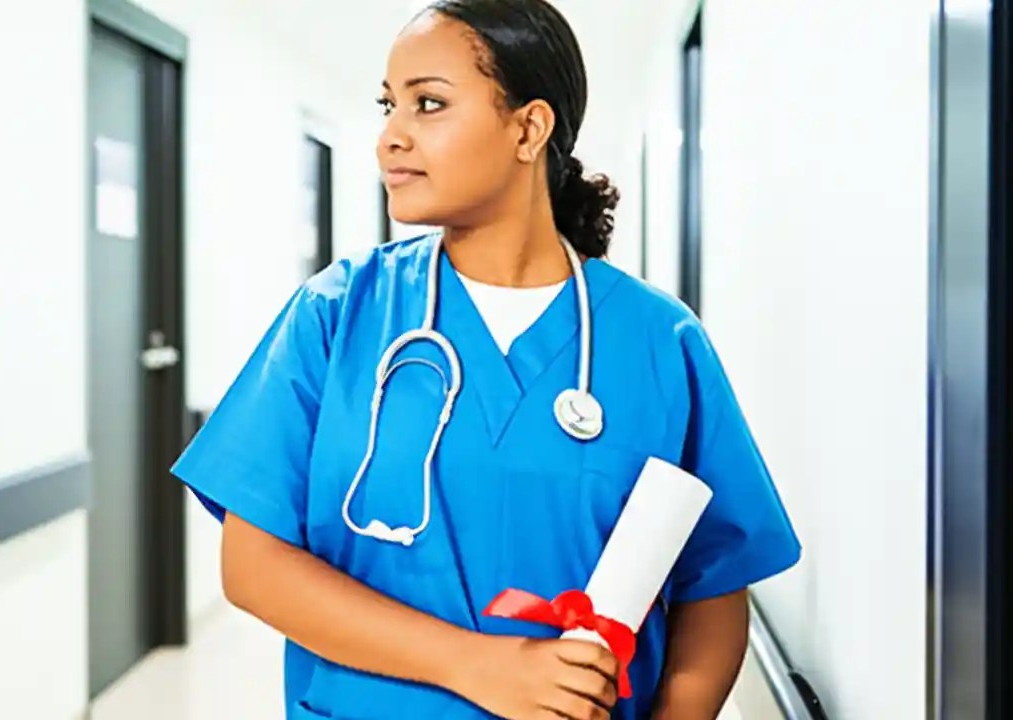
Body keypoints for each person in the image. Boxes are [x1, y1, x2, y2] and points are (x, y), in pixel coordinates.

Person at [171, 1, 801, 718]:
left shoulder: (660, 341)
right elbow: (254, 569)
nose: (389, 139)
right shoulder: (337, 314)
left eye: (428, 104)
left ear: (528, 128)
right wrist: (480, 667)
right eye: (388, 106)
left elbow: (713, 588)